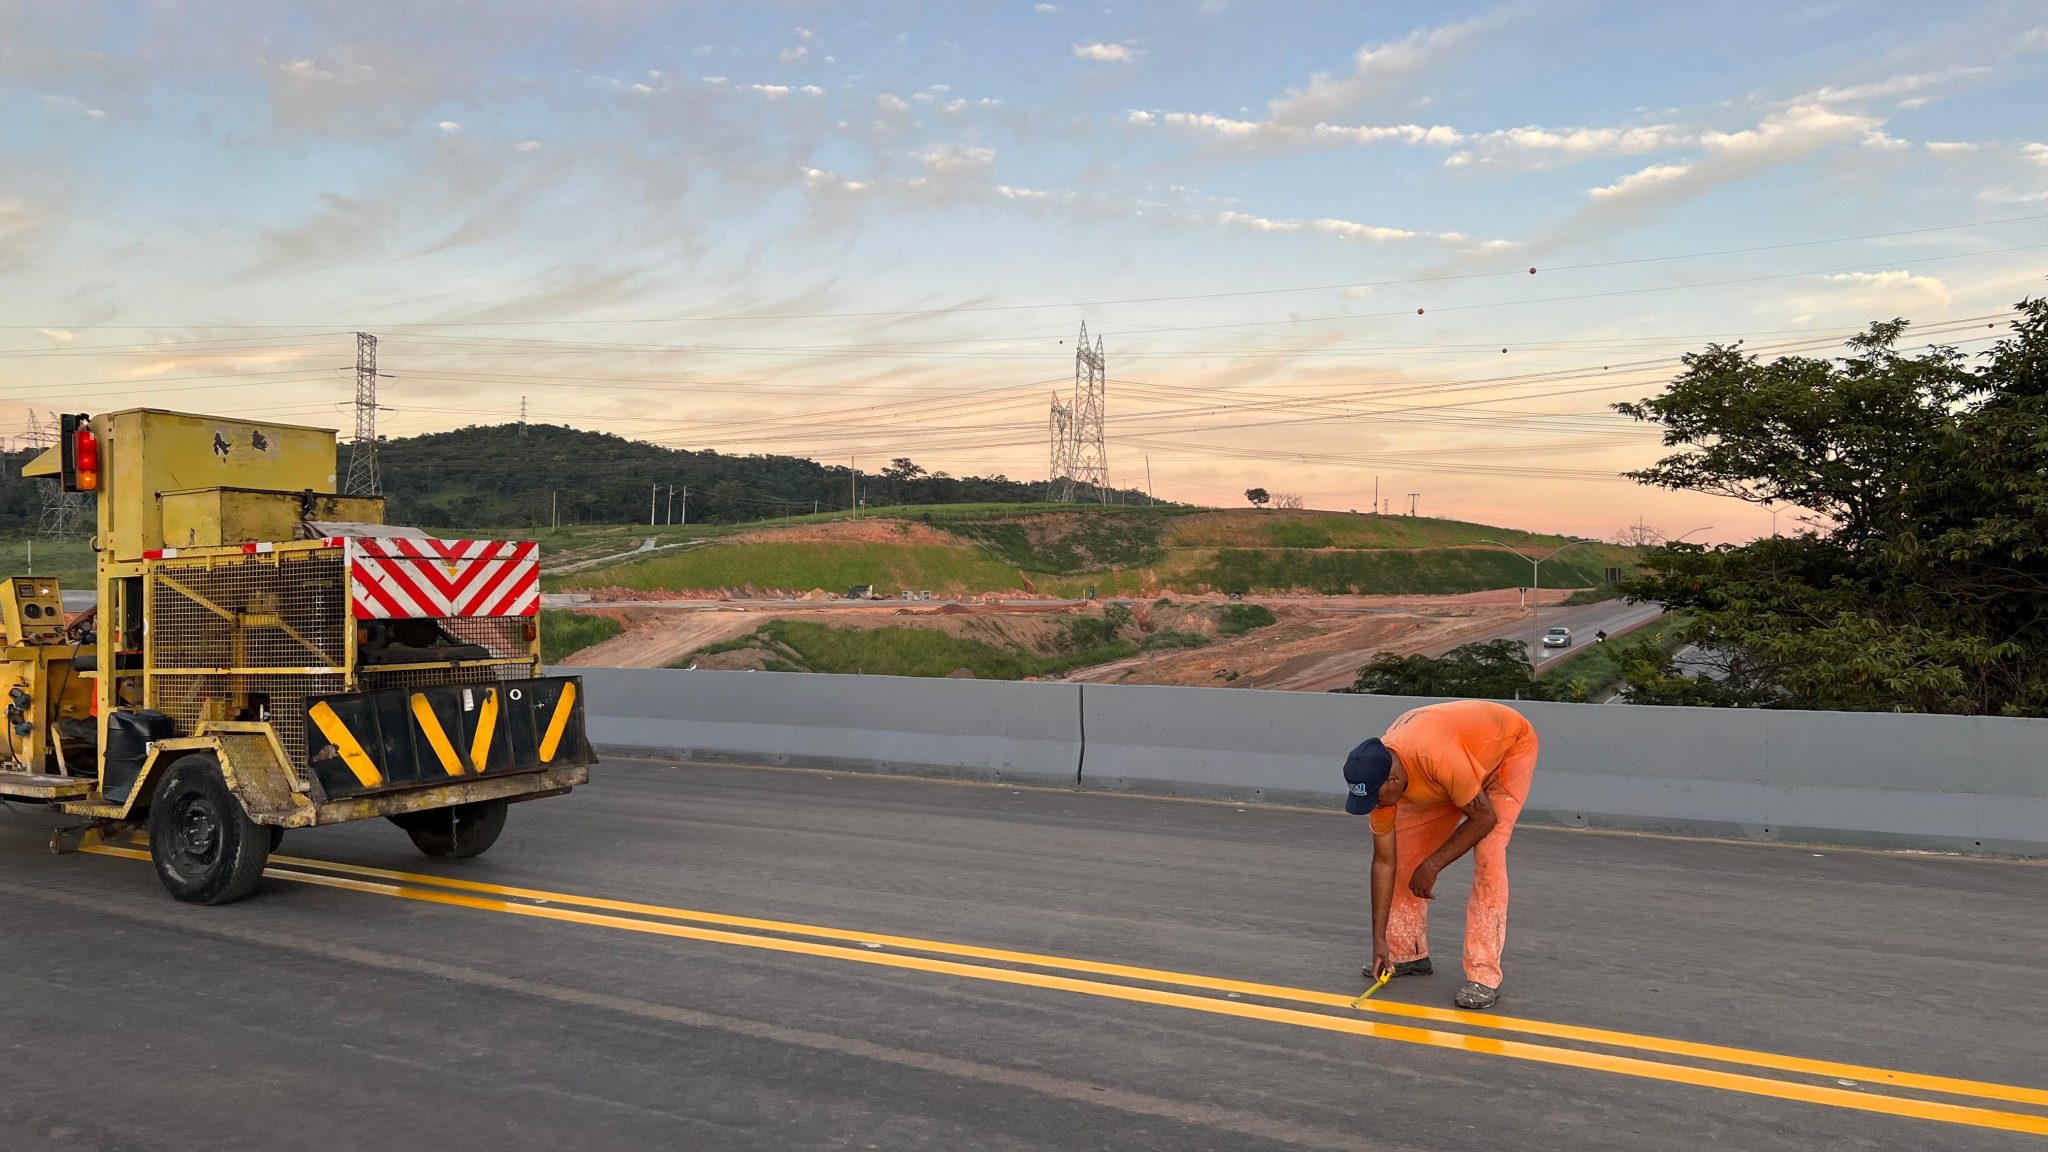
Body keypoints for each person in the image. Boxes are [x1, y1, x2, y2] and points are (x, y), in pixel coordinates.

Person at [1342, 699, 1539, 1010]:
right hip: (1448, 774)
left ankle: (1483, 976)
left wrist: (1433, 865)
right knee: (1405, 858)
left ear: (1393, 781)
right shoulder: (1380, 781)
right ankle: (1407, 953)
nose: (1377, 807)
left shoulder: (1434, 754)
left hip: (1504, 753)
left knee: (1489, 856)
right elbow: (1384, 862)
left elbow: (1484, 818)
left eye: (1378, 799)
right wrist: (1379, 940)